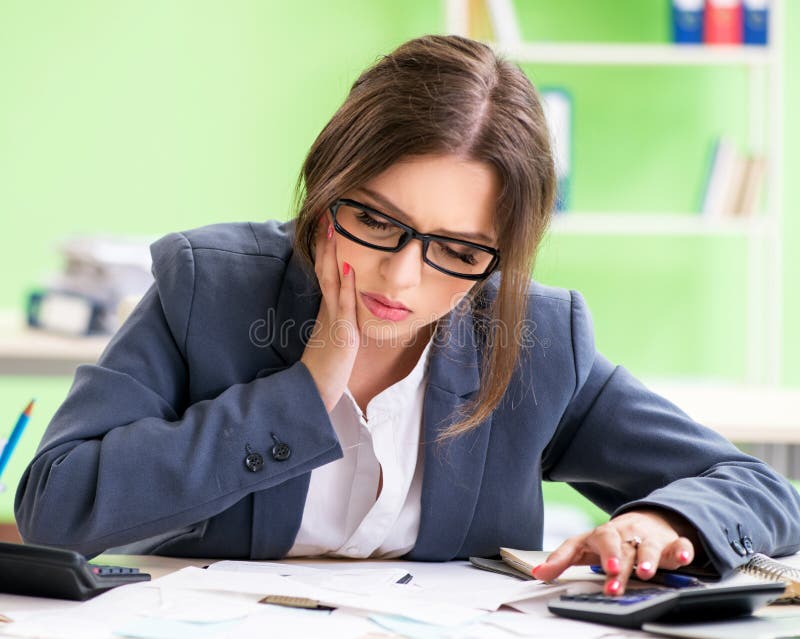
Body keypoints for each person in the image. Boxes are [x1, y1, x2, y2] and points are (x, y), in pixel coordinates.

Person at [15, 34, 800, 597]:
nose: (402, 273)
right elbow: (55, 503)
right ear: (328, 188)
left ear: (501, 254)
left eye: (458, 248)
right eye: (376, 220)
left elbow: (761, 489)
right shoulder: (207, 288)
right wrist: (309, 386)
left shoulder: (536, 341)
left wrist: (668, 518)